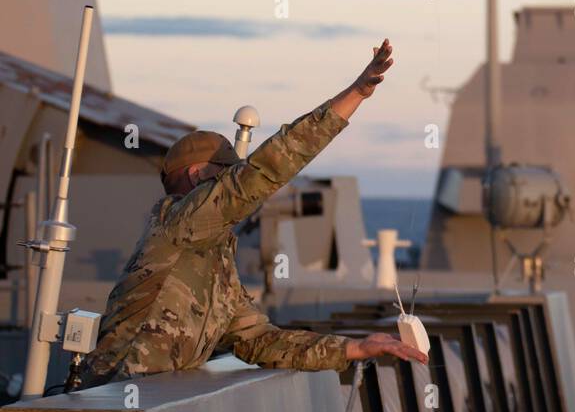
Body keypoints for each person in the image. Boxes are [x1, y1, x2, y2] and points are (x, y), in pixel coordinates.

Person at [78, 39, 425, 387]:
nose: (232, 187)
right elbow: (265, 171)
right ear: (198, 175)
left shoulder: (216, 265)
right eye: (224, 175)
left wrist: (355, 349)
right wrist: (355, 94)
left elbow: (260, 341)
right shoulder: (176, 224)